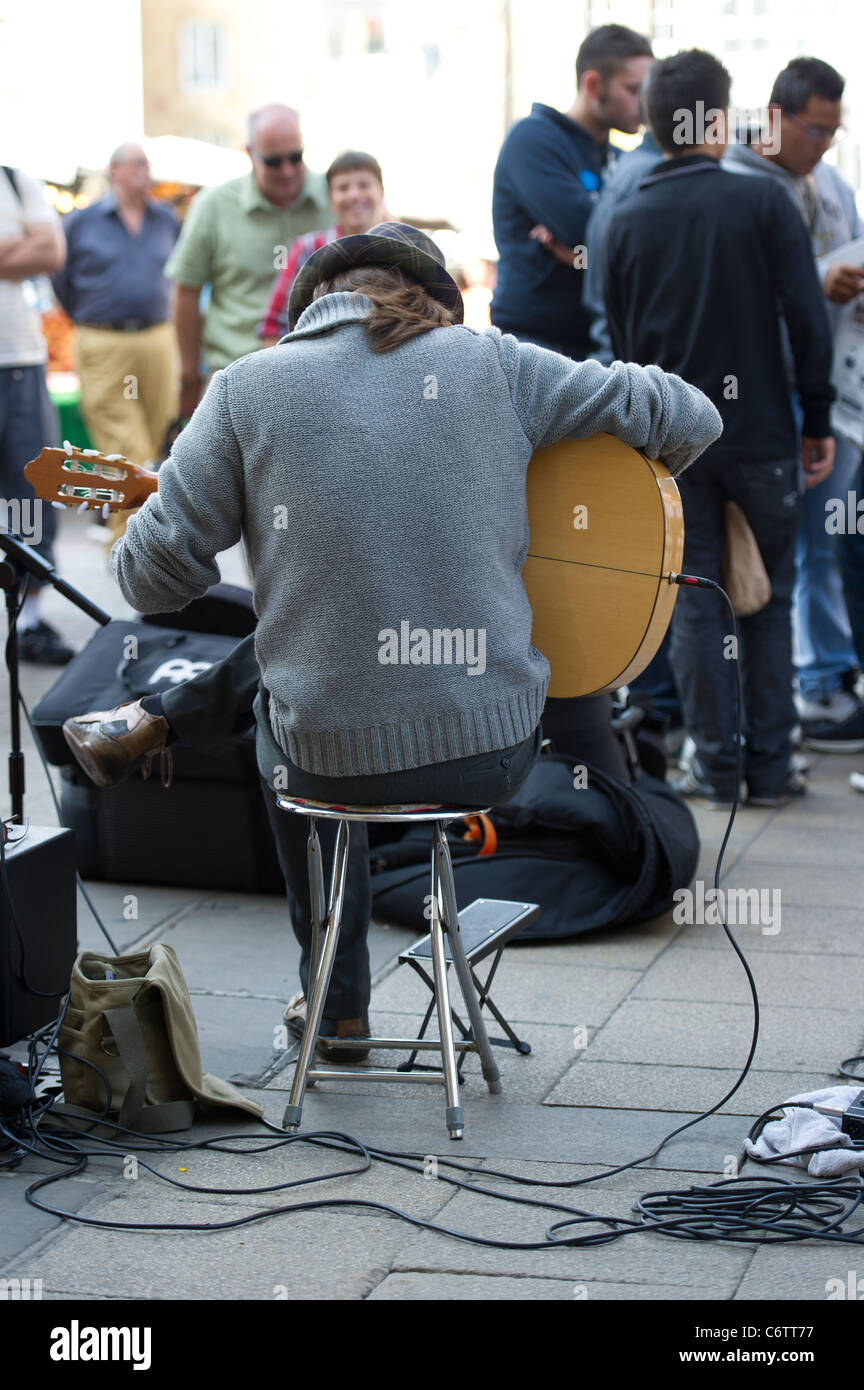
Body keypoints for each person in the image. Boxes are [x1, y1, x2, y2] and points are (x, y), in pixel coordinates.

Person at [63, 221, 721, 1044]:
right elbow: (690, 415)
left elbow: (151, 587)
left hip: (324, 761)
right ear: (435, 300)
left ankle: (336, 1007)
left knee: (291, 670)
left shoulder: (244, 388)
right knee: (302, 649)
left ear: (309, 307)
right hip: (491, 754)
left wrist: (170, 509)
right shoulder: (494, 363)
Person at [604, 50, 835, 809]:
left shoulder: (623, 218)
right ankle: (771, 767)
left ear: (651, 121)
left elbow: (625, 346)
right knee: (769, 599)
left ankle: (717, 767)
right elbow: (807, 319)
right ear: (715, 117)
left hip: (673, 444)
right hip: (765, 435)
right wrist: (819, 416)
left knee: (697, 603)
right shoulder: (764, 205)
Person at [724, 58, 864, 752]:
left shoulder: (831, 183)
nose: (824, 147)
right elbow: (743, 288)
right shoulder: (734, 182)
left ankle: (829, 677)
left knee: (832, 541)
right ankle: (797, 694)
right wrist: (818, 280)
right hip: (764, 399)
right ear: (777, 118)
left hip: (836, 392)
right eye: (815, 130)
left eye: (835, 133)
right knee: (779, 557)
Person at [490, 23, 652, 359]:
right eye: (634, 90)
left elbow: (640, 244)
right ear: (593, 84)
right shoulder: (532, 140)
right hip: (535, 345)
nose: (645, 103)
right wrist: (596, 248)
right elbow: (584, 230)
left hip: (598, 343)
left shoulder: (622, 157)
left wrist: (586, 256)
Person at [51, 144, 180, 547]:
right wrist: (91, 316)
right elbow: (60, 277)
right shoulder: (83, 221)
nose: (146, 171)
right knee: (126, 446)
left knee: (158, 435)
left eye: (147, 164)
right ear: (116, 171)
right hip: (103, 340)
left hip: (156, 337)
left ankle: (150, 538)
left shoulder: (165, 218)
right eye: (137, 164)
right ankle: (128, 543)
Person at [165, 104, 330, 418]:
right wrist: (188, 373)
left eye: (296, 157)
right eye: (273, 161)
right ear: (249, 153)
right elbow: (185, 290)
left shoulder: (336, 196)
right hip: (235, 375)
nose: (287, 170)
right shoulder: (212, 206)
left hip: (318, 379)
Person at [0, 162, 70, 664]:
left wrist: (26, 251)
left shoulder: (14, 180)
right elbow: (34, 249)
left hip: (19, 359)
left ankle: (28, 620)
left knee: (26, 493)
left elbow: (51, 250)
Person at [258, 150, 387, 346]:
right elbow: (273, 326)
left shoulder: (403, 249)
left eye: (364, 185)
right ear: (331, 200)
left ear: (381, 191)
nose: (354, 195)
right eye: (343, 188)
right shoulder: (306, 249)